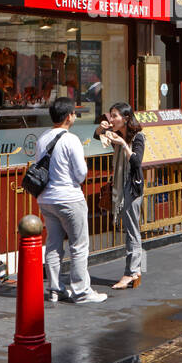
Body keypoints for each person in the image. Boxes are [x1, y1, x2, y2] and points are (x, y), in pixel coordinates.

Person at [36, 98, 107, 304]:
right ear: (69, 117)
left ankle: (55, 290)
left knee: (53, 245)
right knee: (79, 245)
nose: (75, 116)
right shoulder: (71, 139)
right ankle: (81, 291)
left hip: (46, 199)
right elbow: (81, 174)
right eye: (74, 113)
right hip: (69, 198)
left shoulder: (42, 138)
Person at [95, 102, 146, 290]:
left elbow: (136, 161)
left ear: (125, 118)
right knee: (130, 229)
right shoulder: (114, 134)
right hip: (121, 184)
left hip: (132, 187)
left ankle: (131, 273)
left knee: (132, 230)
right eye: (110, 115)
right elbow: (97, 135)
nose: (111, 119)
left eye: (115, 116)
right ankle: (135, 270)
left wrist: (123, 144)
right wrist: (102, 128)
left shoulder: (138, 137)